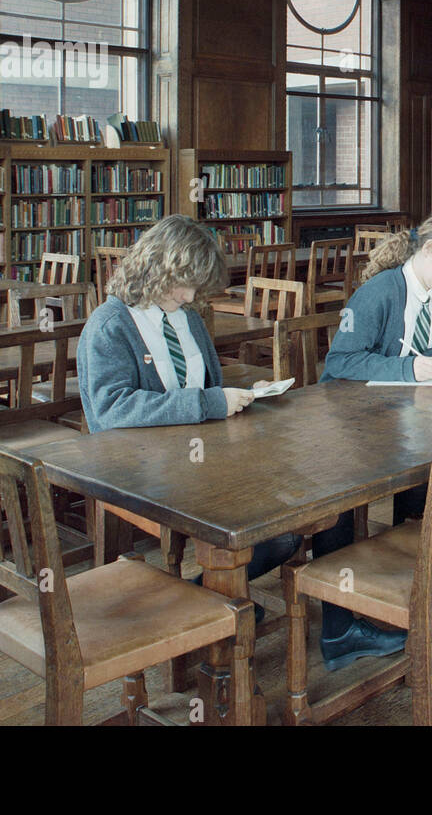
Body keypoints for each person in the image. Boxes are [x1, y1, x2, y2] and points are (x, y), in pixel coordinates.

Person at [78, 215, 298, 614]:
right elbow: (111, 410)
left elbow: (205, 385)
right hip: (141, 468)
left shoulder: (188, 318)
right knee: (267, 527)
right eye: (185, 282)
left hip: (201, 454)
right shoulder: (110, 326)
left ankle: (206, 600)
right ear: (157, 268)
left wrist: (242, 395)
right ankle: (207, 607)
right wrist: (211, 403)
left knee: (288, 520)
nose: (190, 294)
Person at [313, 207, 432, 667]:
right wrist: (404, 366)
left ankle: (413, 582)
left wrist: (424, 355)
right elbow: (340, 364)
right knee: (351, 492)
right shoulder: (378, 293)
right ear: (429, 249)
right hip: (356, 425)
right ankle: (343, 622)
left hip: (411, 414)